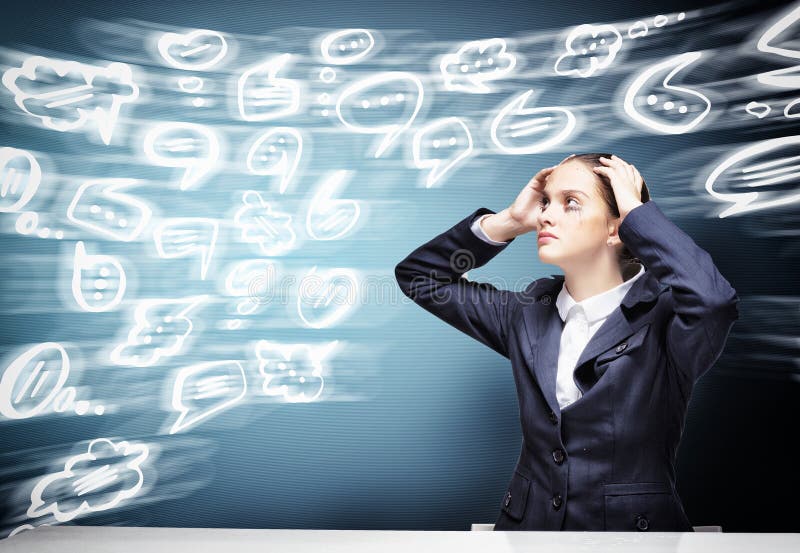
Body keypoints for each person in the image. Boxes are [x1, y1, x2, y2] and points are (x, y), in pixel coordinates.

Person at [394, 153, 740, 531]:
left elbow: (714, 300)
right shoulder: (525, 313)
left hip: (634, 538)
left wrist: (639, 216)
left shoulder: (665, 320)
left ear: (616, 229)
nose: (545, 215)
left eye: (570, 203)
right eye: (546, 202)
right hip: (528, 532)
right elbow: (420, 277)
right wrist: (508, 221)